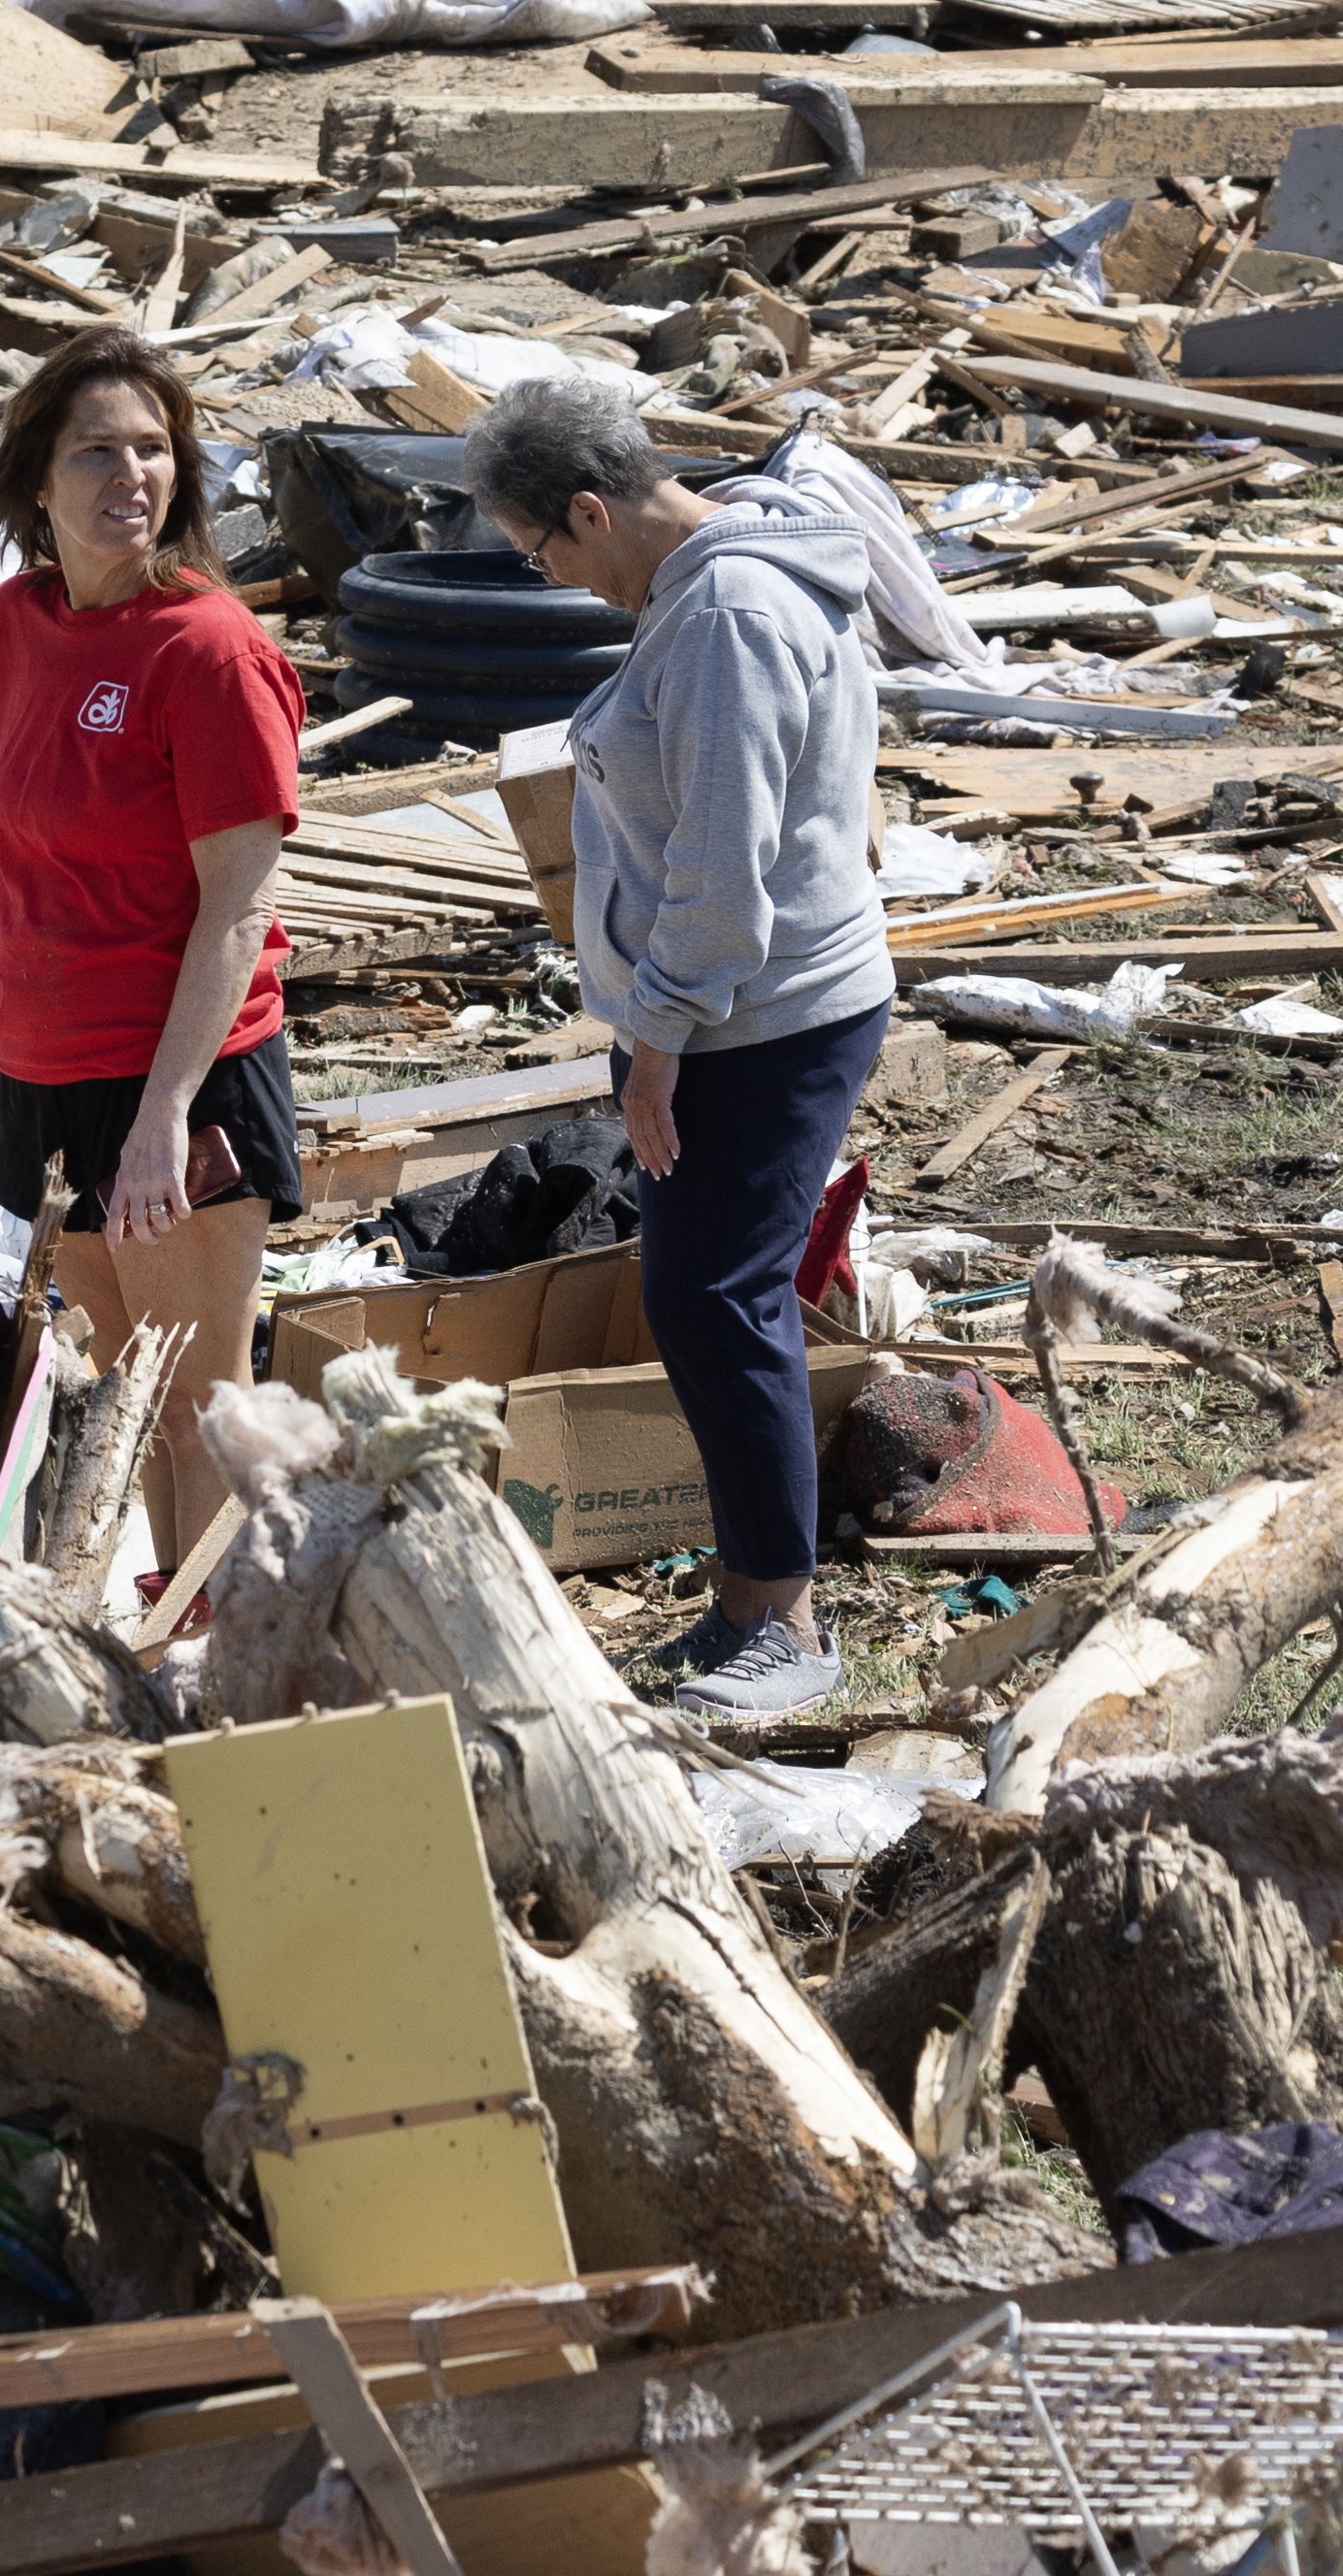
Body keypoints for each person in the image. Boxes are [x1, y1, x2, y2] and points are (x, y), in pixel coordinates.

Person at [460, 381, 895, 1720]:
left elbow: (722, 872)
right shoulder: (719, 586)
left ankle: (791, 1622)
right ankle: (748, 1598)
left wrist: (655, 1045)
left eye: (550, 554)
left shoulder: (727, 615)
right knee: (702, 1296)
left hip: (752, 1018)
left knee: (722, 1301)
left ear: (591, 508)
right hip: (732, 1009)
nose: (563, 581)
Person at [0, 329, 304, 1564]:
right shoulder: (17, 622)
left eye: (154, 448)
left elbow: (237, 907)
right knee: (121, 1405)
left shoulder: (207, 650)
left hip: (180, 1078)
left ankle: (223, 1676)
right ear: (37, 481)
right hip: (49, 1071)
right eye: (97, 448)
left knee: (198, 1407)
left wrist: (165, 1112)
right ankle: (168, 1651)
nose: (132, 474)